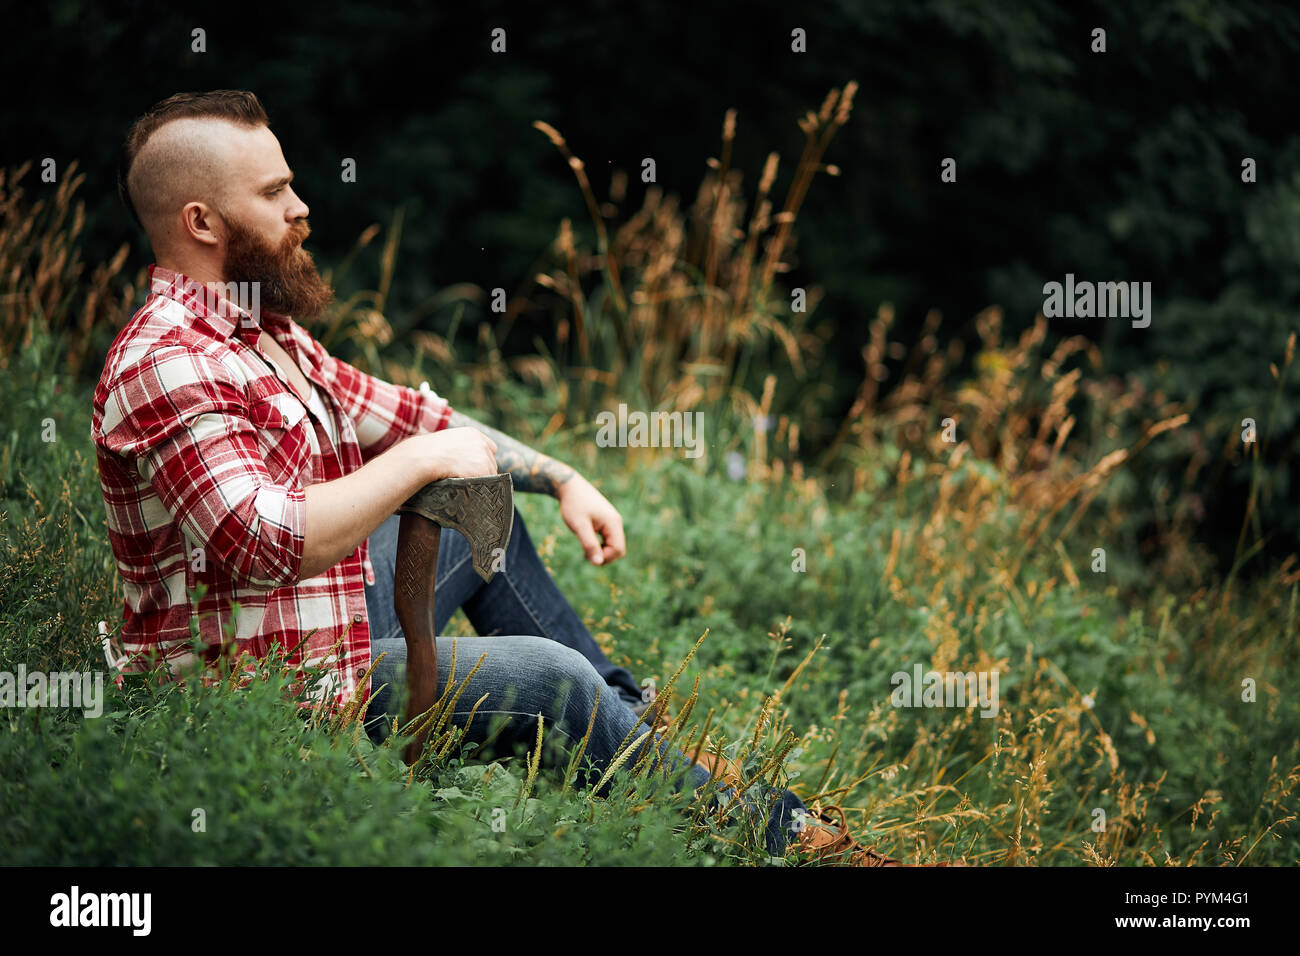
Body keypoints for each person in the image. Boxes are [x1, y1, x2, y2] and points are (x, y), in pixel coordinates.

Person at [91, 89, 921, 865]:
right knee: (547, 680)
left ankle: (627, 721)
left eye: (293, 186)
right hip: (270, 694)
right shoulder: (170, 359)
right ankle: (772, 837)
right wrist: (422, 462)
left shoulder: (261, 332)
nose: (302, 208)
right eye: (274, 194)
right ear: (202, 221)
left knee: (483, 506)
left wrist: (560, 477)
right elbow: (265, 542)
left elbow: (421, 420)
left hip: (321, 627)